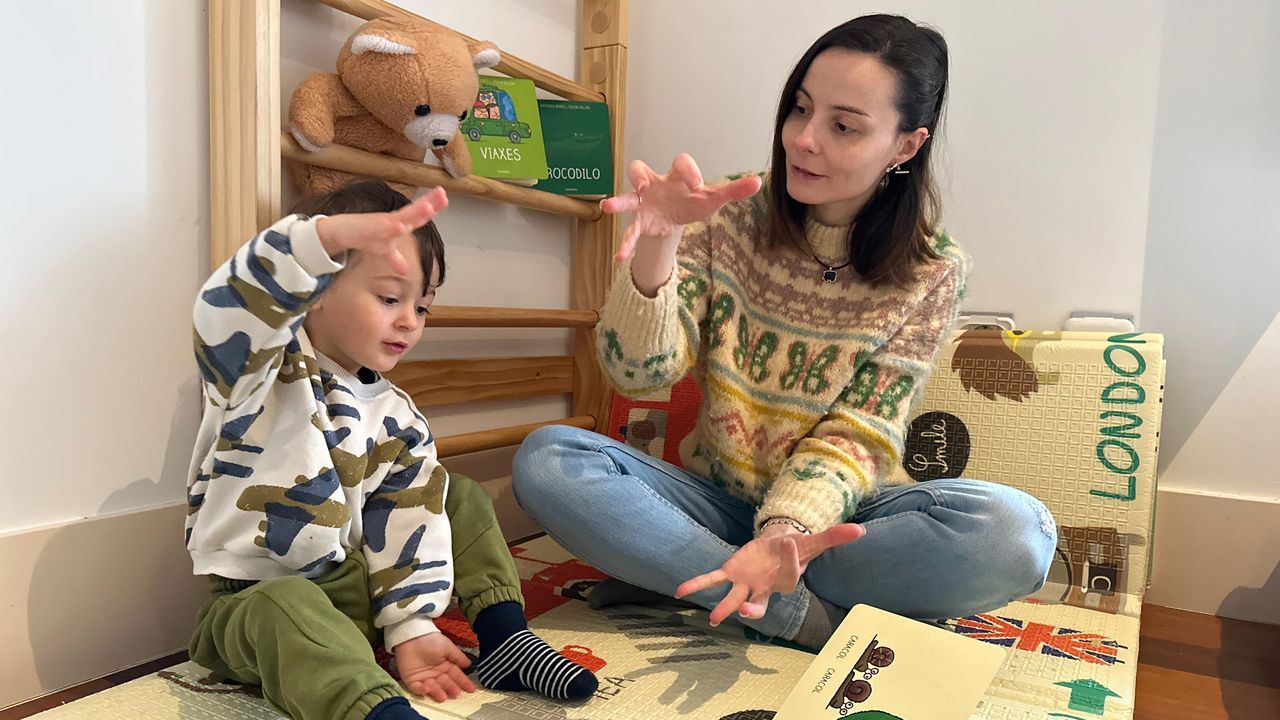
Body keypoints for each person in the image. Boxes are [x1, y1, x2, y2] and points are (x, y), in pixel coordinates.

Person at [512, 14, 1057, 651]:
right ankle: (799, 621)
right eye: (800, 110)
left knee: (1017, 534)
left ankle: (680, 575)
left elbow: (858, 436)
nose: (803, 139)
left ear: (906, 146)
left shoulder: (933, 270)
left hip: (838, 524)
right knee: (550, 460)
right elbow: (639, 374)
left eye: (843, 126)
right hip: (714, 504)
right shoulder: (728, 217)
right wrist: (657, 249)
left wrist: (784, 537)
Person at [184, 180, 597, 720]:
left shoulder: (396, 413)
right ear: (315, 288)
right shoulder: (258, 371)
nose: (410, 321)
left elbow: (406, 519)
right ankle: (373, 710)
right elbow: (230, 310)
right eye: (389, 298)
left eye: (423, 307)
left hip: (358, 601)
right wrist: (316, 242)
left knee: (458, 494)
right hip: (258, 601)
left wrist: (412, 627)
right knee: (284, 605)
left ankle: (504, 637)